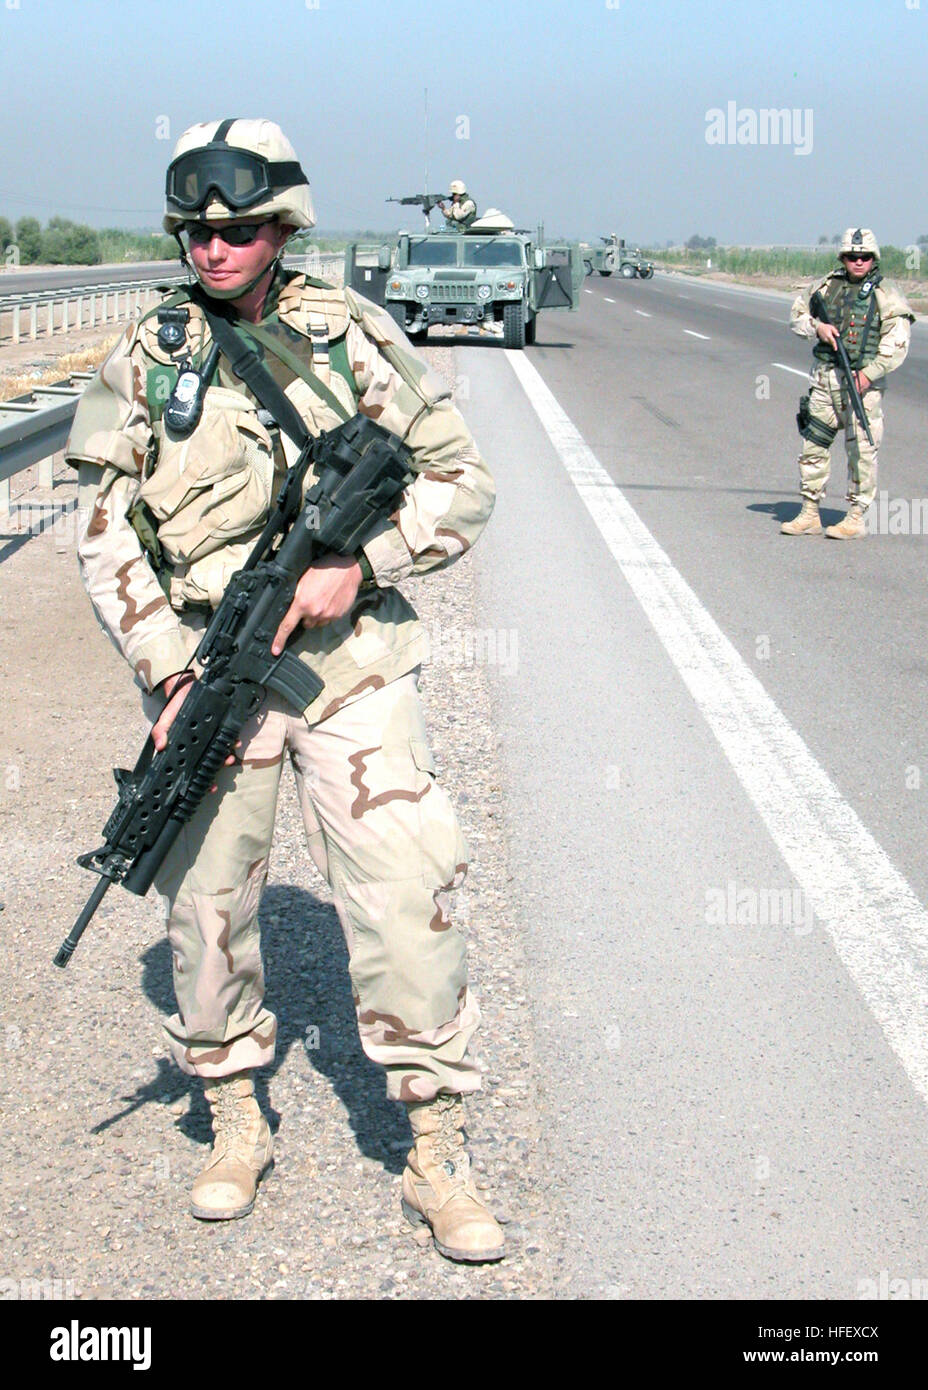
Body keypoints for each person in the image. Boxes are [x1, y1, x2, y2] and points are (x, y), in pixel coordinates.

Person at [65, 118, 504, 1263]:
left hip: (352, 664)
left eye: (240, 229)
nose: (215, 249)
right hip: (211, 670)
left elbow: (461, 484)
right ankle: (232, 1115)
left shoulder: (350, 337)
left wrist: (362, 566)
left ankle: (436, 1142)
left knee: (409, 888)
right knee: (204, 907)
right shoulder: (147, 354)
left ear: (282, 228)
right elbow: (105, 532)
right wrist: (167, 665)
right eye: (198, 232)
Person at [781, 227, 914, 539]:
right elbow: (796, 317)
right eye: (852, 256)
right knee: (813, 445)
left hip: (862, 385)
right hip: (825, 379)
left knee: (862, 452)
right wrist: (818, 327)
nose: (858, 261)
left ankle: (855, 517)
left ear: (873, 259)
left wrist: (869, 374)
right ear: (843, 257)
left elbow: (898, 342)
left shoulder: (886, 293)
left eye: (865, 256)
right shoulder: (825, 287)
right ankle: (810, 513)